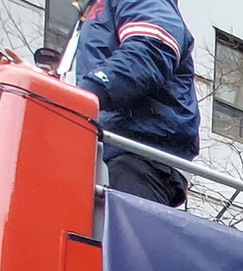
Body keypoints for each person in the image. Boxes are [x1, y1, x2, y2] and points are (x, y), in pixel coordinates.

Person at [67, 0, 202, 205]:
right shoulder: (96, 9)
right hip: (112, 149)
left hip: (137, 152)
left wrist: (88, 91)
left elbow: (152, 47)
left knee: (119, 225)